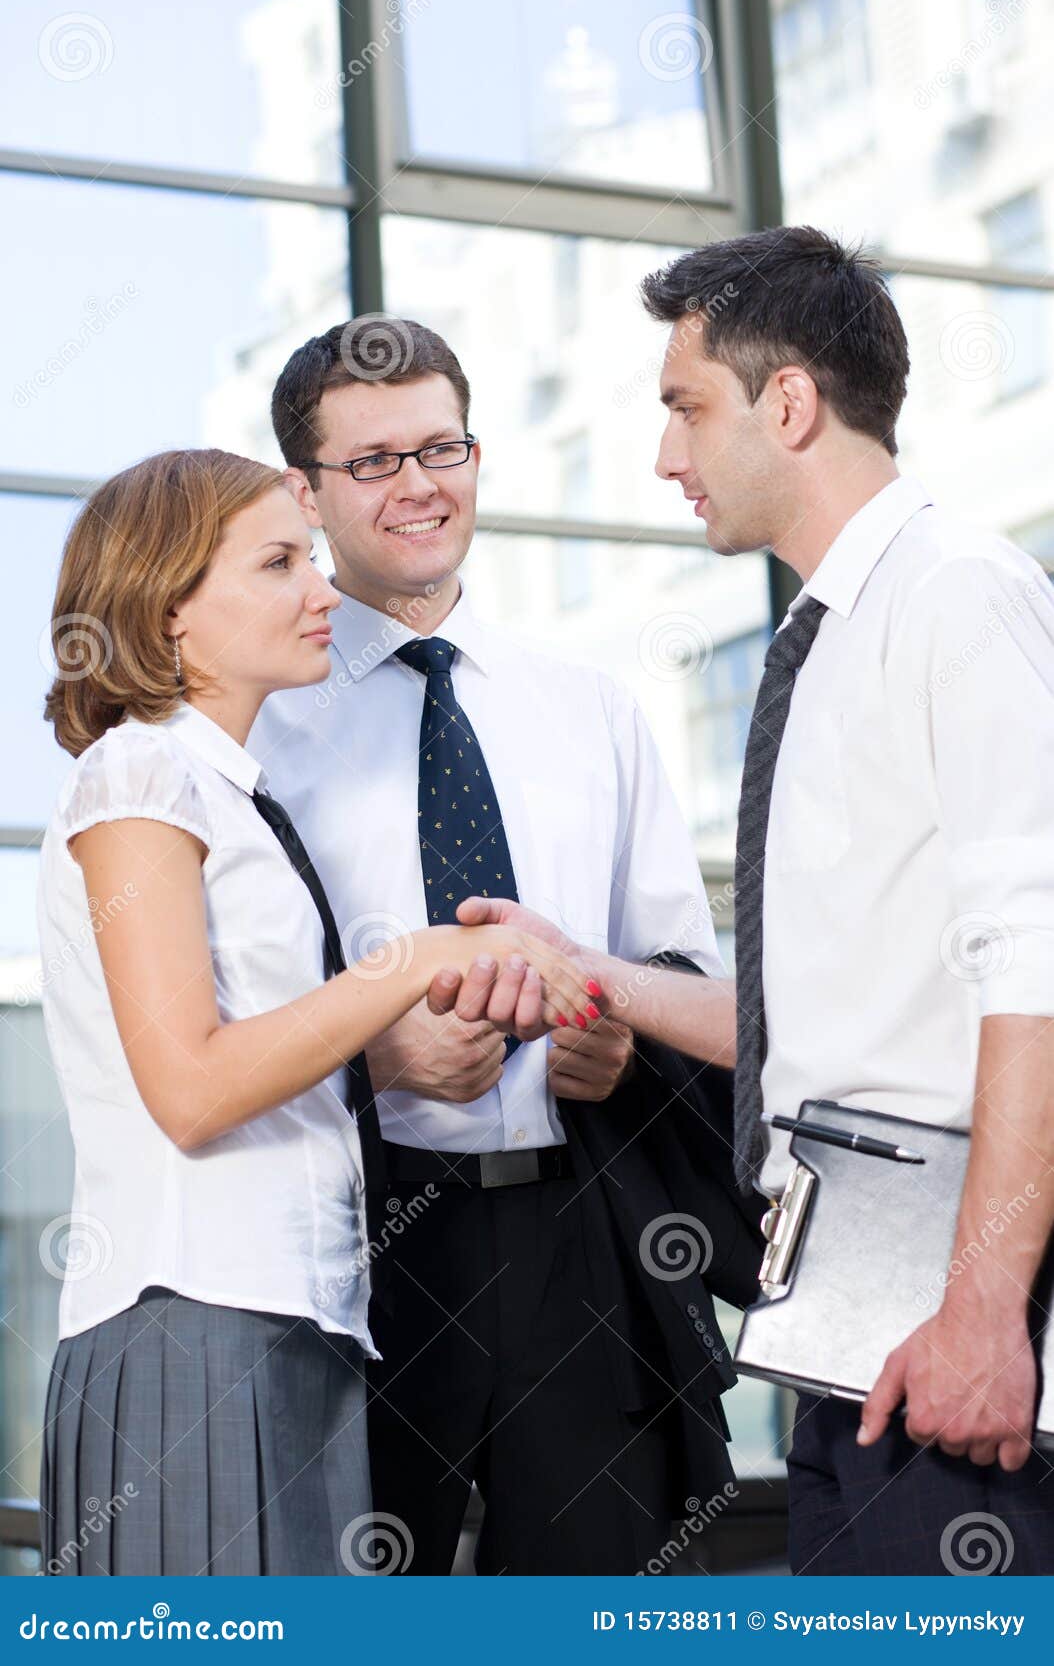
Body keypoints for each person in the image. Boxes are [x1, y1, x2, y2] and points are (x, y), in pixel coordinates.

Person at [249, 318, 759, 1575]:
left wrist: (616, 1041)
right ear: (305, 494)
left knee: (606, 1606)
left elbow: (680, 973)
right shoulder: (257, 729)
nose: (419, 484)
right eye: (372, 462)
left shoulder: (590, 709)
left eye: (443, 447)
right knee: (363, 1616)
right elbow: (212, 1025)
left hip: (581, 1236)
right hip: (360, 1253)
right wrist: (376, 1061)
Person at [36, 447, 591, 1577]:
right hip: (195, 1315)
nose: (322, 589)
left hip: (292, 1320)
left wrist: (392, 1056)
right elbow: (189, 1091)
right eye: (279, 562)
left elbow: (243, 1057)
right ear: (169, 609)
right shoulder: (140, 777)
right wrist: (413, 963)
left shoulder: (229, 794)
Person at [638, 224, 1054, 1574]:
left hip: (950, 1305)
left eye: (684, 408)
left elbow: (1037, 961)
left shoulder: (954, 595)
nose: (665, 458)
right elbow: (814, 1017)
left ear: (791, 403)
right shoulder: (825, 636)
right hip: (846, 1311)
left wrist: (984, 1307)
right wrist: (591, 976)